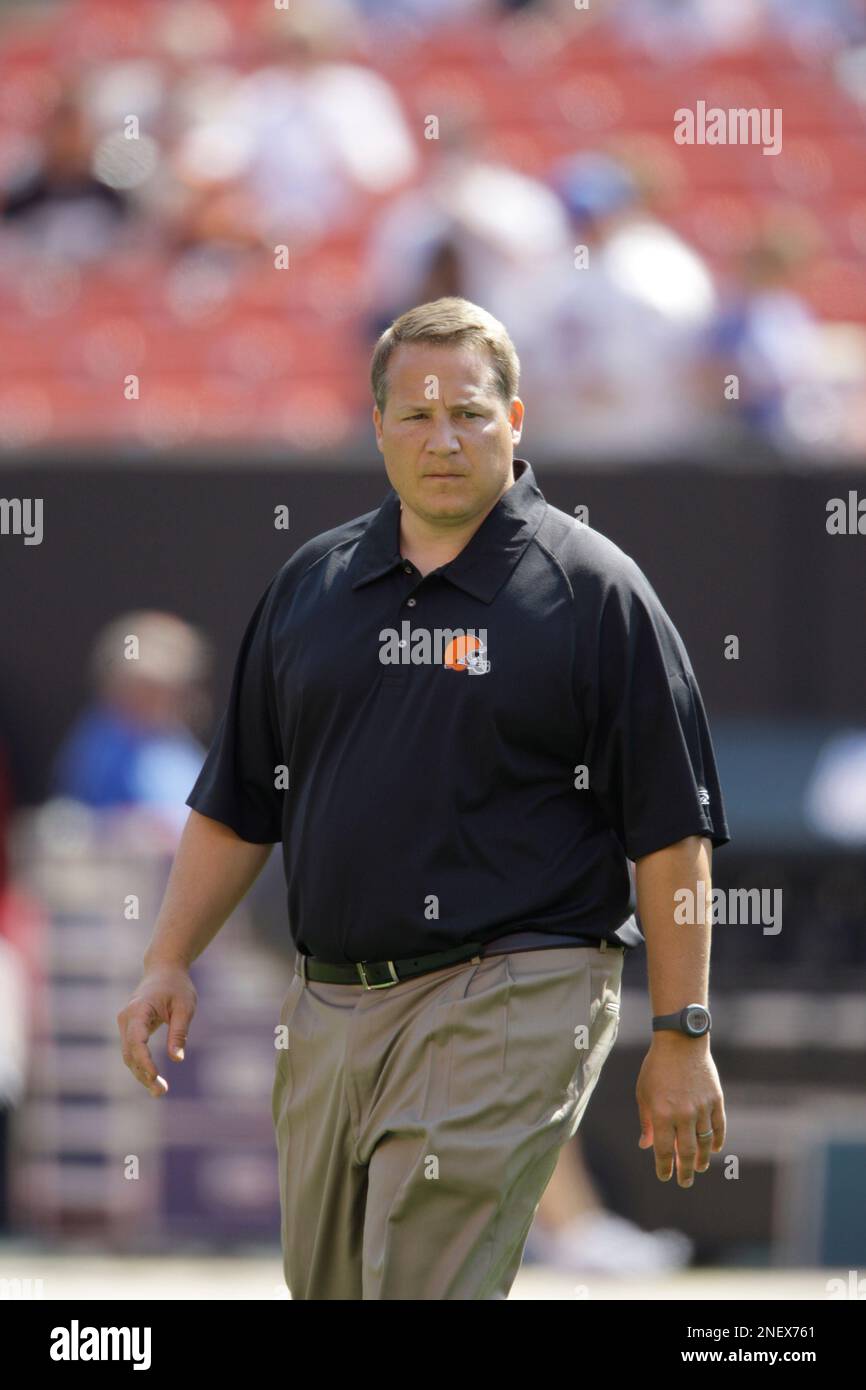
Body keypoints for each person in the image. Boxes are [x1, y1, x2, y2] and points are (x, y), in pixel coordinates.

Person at [117, 297, 731, 1300]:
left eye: (471, 413)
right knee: (331, 1288)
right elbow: (236, 801)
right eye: (417, 414)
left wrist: (680, 1032)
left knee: (416, 1282)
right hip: (329, 1002)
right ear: (377, 428)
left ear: (515, 420)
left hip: (514, 985)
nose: (443, 438)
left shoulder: (593, 589)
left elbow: (672, 834)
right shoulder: (311, 583)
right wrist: (166, 957)